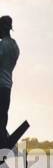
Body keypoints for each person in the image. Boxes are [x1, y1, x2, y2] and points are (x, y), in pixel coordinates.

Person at [0, 15, 18, 144]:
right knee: (3, 115)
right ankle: (2, 140)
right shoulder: (15, 46)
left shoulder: (2, 45)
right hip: (7, 85)